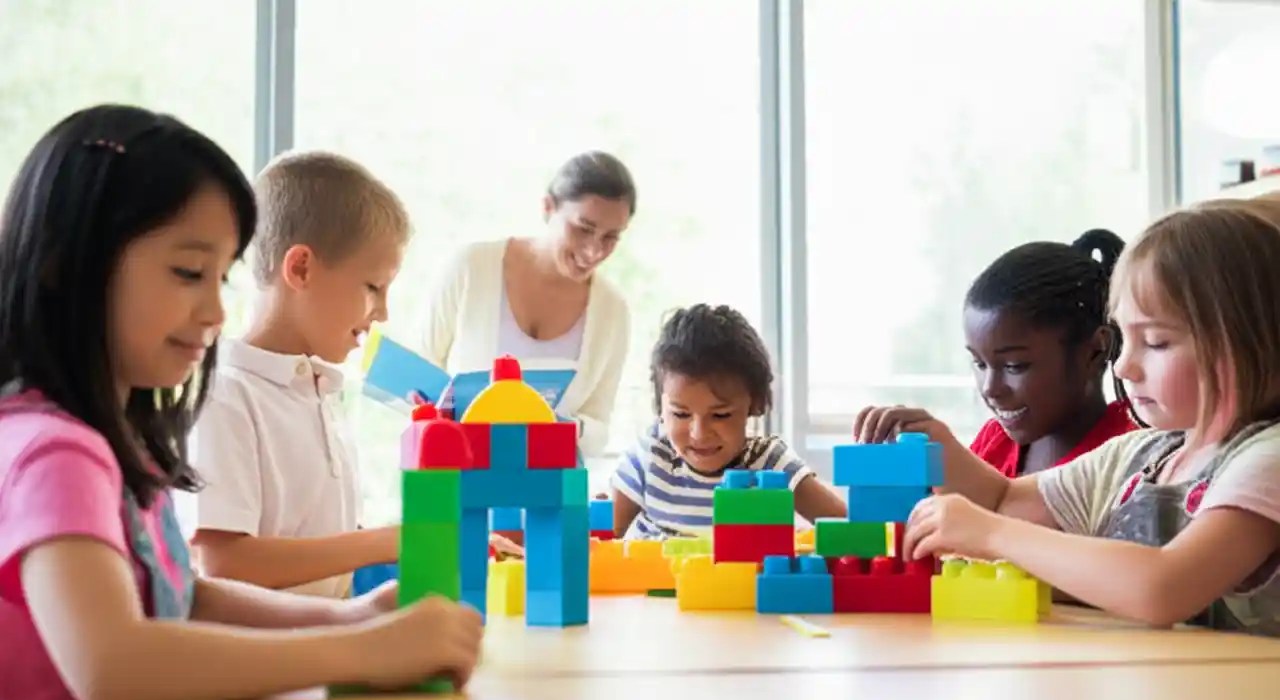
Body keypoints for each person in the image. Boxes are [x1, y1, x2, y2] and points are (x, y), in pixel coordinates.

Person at [0, 105, 481, 700]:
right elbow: (113, 668)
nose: (216, 312)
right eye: (188, 273)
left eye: (220, 278)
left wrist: (351, 618)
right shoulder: (55, 453)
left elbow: (181, 597)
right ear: (65, 265)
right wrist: (361, 650)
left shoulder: (120, 443)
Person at [900, 205, 1280, 635]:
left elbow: (1163, 587)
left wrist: (991, 535)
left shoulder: (1268, 459)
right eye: (1125, 339)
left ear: (1249, 342)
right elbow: (1005, 502)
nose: (1124, 367)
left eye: (1156, 342)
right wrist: (934, 445)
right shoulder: (1140, 455)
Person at [189, 150, 409, 597]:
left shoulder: (319, 392)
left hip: (327, 634)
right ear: (301, 268)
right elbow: (221, 563)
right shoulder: (226, 397)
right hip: (263, 645)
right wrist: (387, 542)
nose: (382, 312)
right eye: (373, 287)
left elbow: (322, 545)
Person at [855, 230, 1136, 476]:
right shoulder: (995, 442)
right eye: (979, 364)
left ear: (1095, 351)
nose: (990, 389)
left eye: (1015, 366)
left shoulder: (1135, 456)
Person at [421, 151, 635, 456]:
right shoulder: (470, 267)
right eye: (583, 229)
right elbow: (421, 374)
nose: (593, 251)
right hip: (459, 470)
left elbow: (599, 427)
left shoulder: (613, 312)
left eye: (611, 237)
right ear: (548, 207)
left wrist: (558, 427)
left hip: (549, 479)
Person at [611, 304, 847, 538]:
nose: (699, 434)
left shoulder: (771, 464)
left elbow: (850, 531)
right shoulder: (649, 458)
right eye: (681, 414)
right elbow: (601, 540)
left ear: (754, 403)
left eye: (720, 415)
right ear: (660, 407)